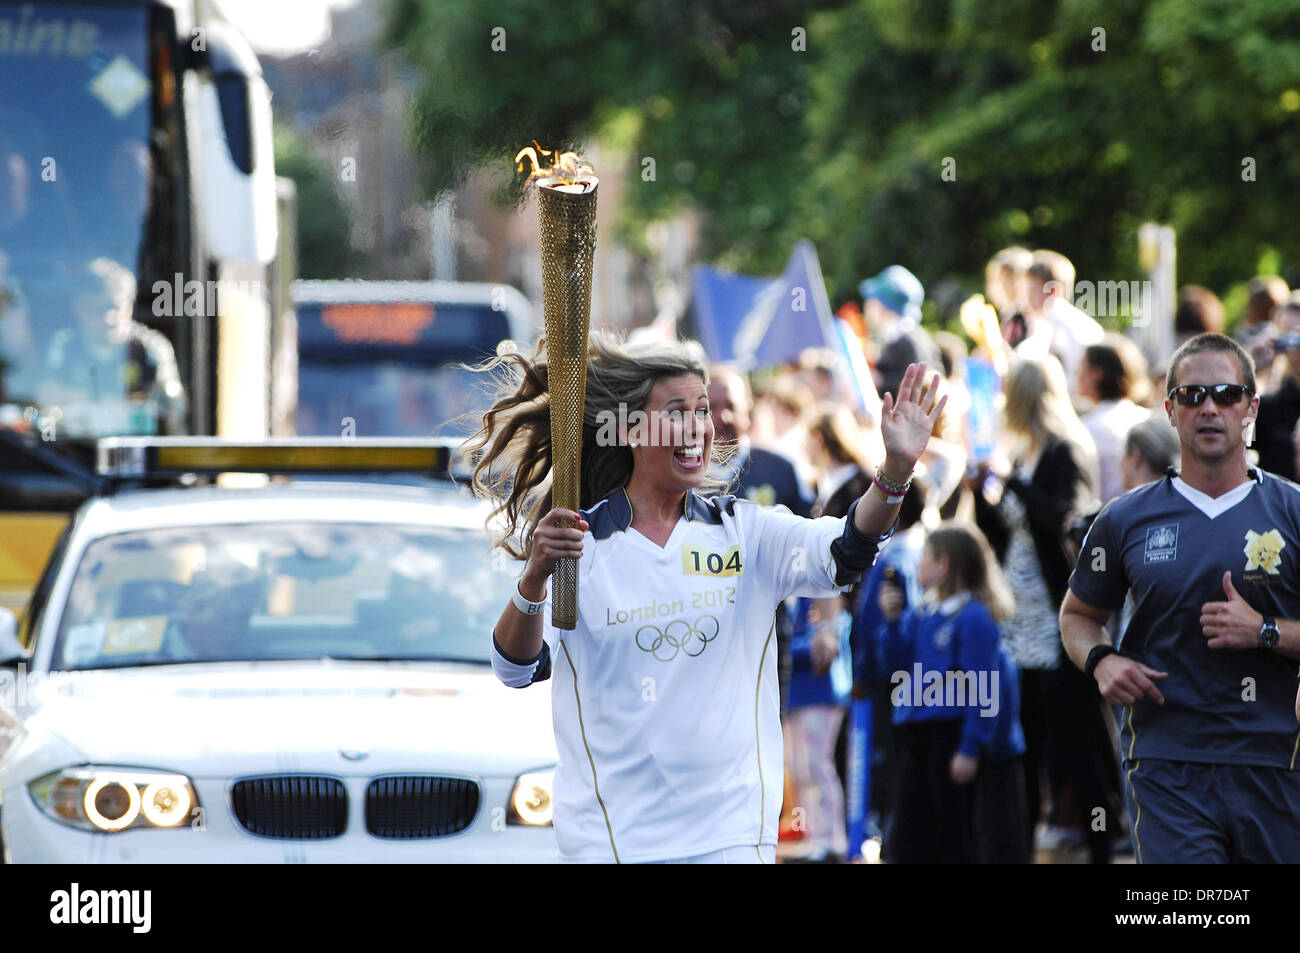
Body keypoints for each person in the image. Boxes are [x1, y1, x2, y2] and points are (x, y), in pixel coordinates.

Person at [472, 332, 946, 863]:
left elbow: (847, 552)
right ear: (630, 428)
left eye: (702, 411)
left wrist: (897, 471)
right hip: (613, 842)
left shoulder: (745, 532)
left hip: (731, 838)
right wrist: (535, 577)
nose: (700, 427)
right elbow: (516, 669)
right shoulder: (580, 546)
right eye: (678, 412)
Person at [1062, 332, 1300, 863]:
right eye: (1192, 397)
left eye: (1226, 394)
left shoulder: (1292, 511)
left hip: (1277, 763)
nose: (1209, 408)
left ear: (1251, 408)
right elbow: (1079, 615)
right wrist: (1101, 660)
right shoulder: (1125, 518)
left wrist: (1263, 630)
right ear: (1170, 410)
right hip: (1167, 765)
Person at [970, 356, 1117, 862]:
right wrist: (982, 497)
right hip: (1019, 618)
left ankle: (1104, 840)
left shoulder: (1063, 449)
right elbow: (1004, 535)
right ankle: (1023, 844)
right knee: (1026, 737)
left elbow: (1067, 520)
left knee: (1076, 739)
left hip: (1060, 618)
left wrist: (1012, 485)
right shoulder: (1025, 453)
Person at [872, 522, 1026, 863]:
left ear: (943, 565)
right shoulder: (923, 613)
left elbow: (984, 686)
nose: (918, 565)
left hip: (949, 737)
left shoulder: (973, 618)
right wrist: (893, 621)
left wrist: (970, 746)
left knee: (954, 835)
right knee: (909, 836)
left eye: (925, 557)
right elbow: (894, 665)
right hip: (916, 736)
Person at [1077, 334, 1153, 503]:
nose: (1077, 373)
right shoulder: (1150, 420)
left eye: (1082, 367)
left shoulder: (1086, 428)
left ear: (1097, 373)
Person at [1016, 250, 1103, 383]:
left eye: (1032, 290)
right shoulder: (1042, 322)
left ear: (1053, 291)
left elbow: (1073, 379)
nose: (1026, 298)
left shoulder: (1066, 325)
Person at [860, 264, 942, 399]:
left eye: (873, 300)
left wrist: (882, 380)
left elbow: (922, 385)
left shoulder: (912, 341)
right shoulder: (893, 336)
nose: (867, 305)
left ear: (886, 306)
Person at [1253, 292, 1300, 482]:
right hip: (1280, 507)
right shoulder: (1266, 409)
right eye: (1287, 336)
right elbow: (1238, 440)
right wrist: (1249, 365)